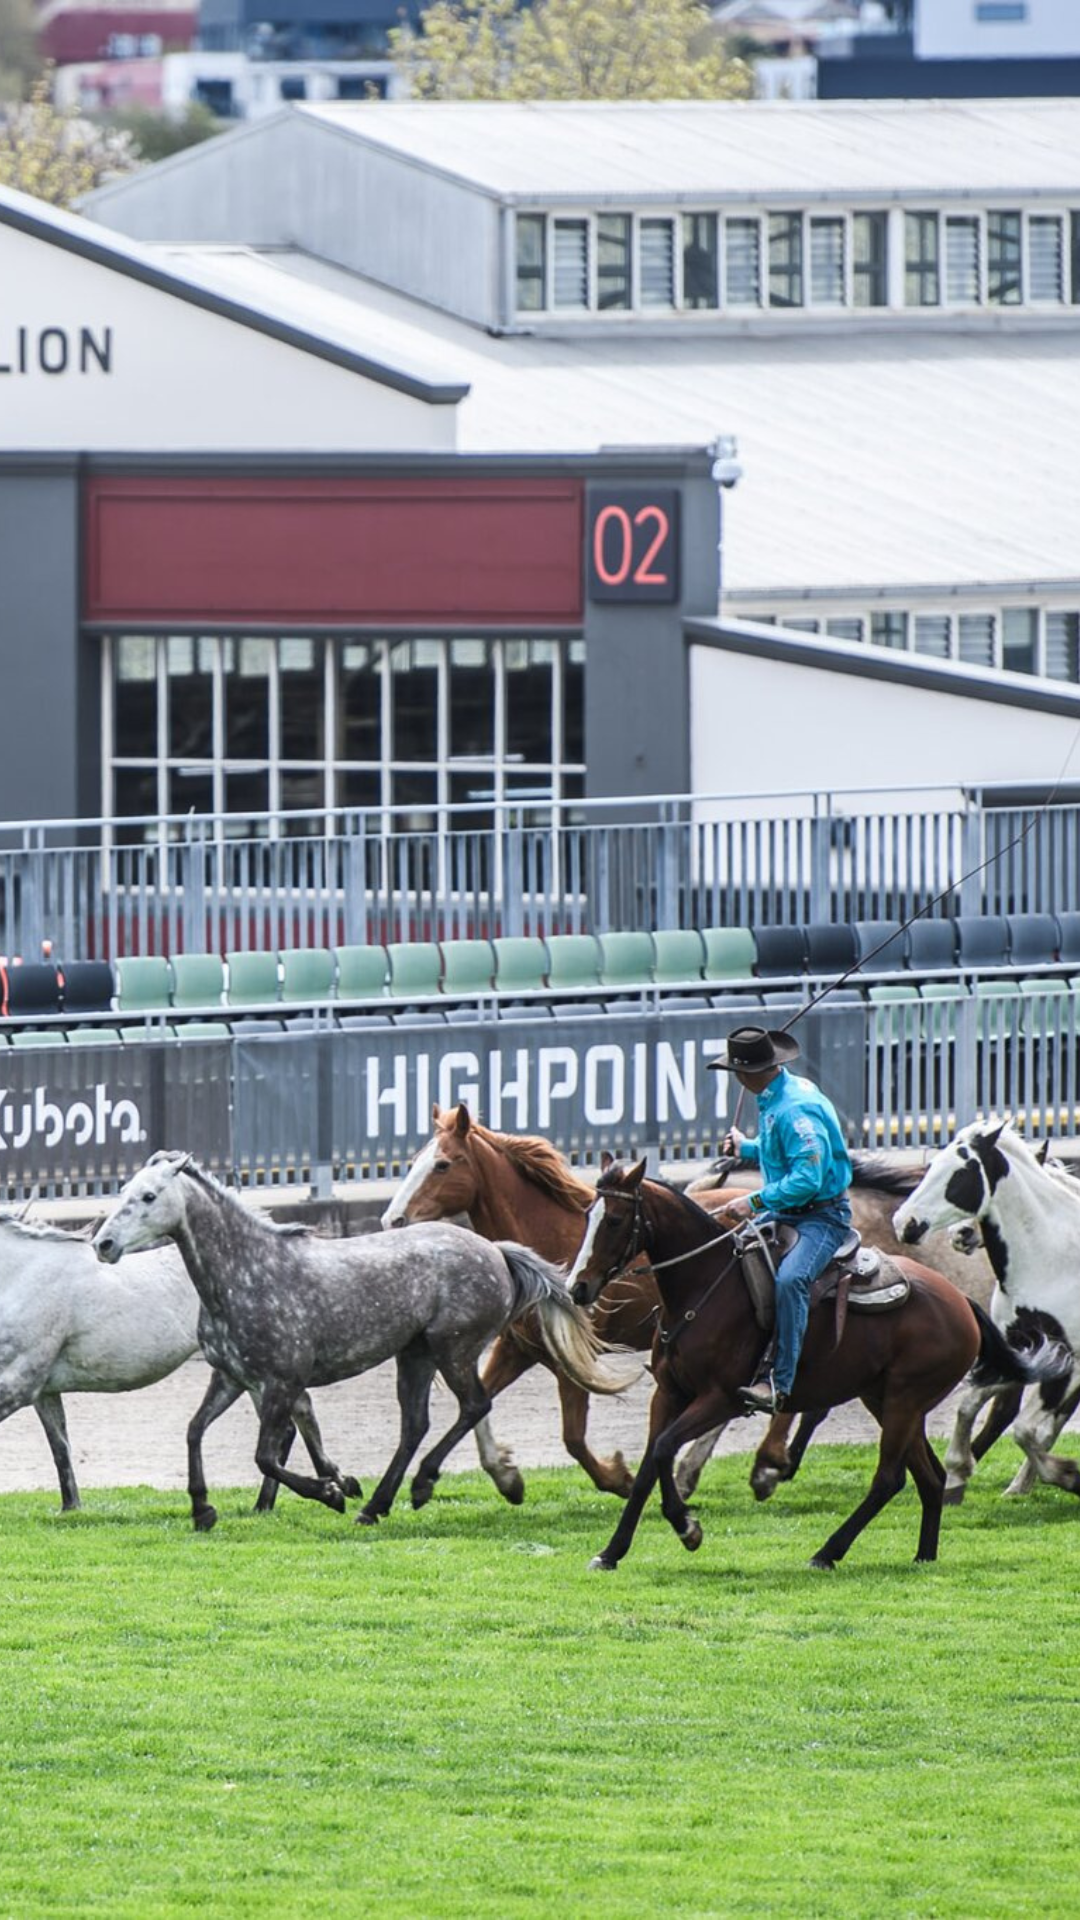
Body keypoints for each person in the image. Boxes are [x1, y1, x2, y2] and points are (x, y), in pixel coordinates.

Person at [708, 1024, 853, 1416]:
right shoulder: (778, 1095)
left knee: (791, 1280)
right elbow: (784, 1153)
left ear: (747, 1073)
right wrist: (748, 1148)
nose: (735, 1078)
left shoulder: (794, 1108)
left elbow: (808, 1178)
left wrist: (753, 1201)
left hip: (822, 1218)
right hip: (788, 1209)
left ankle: (779, 1381)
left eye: (735, 1071)